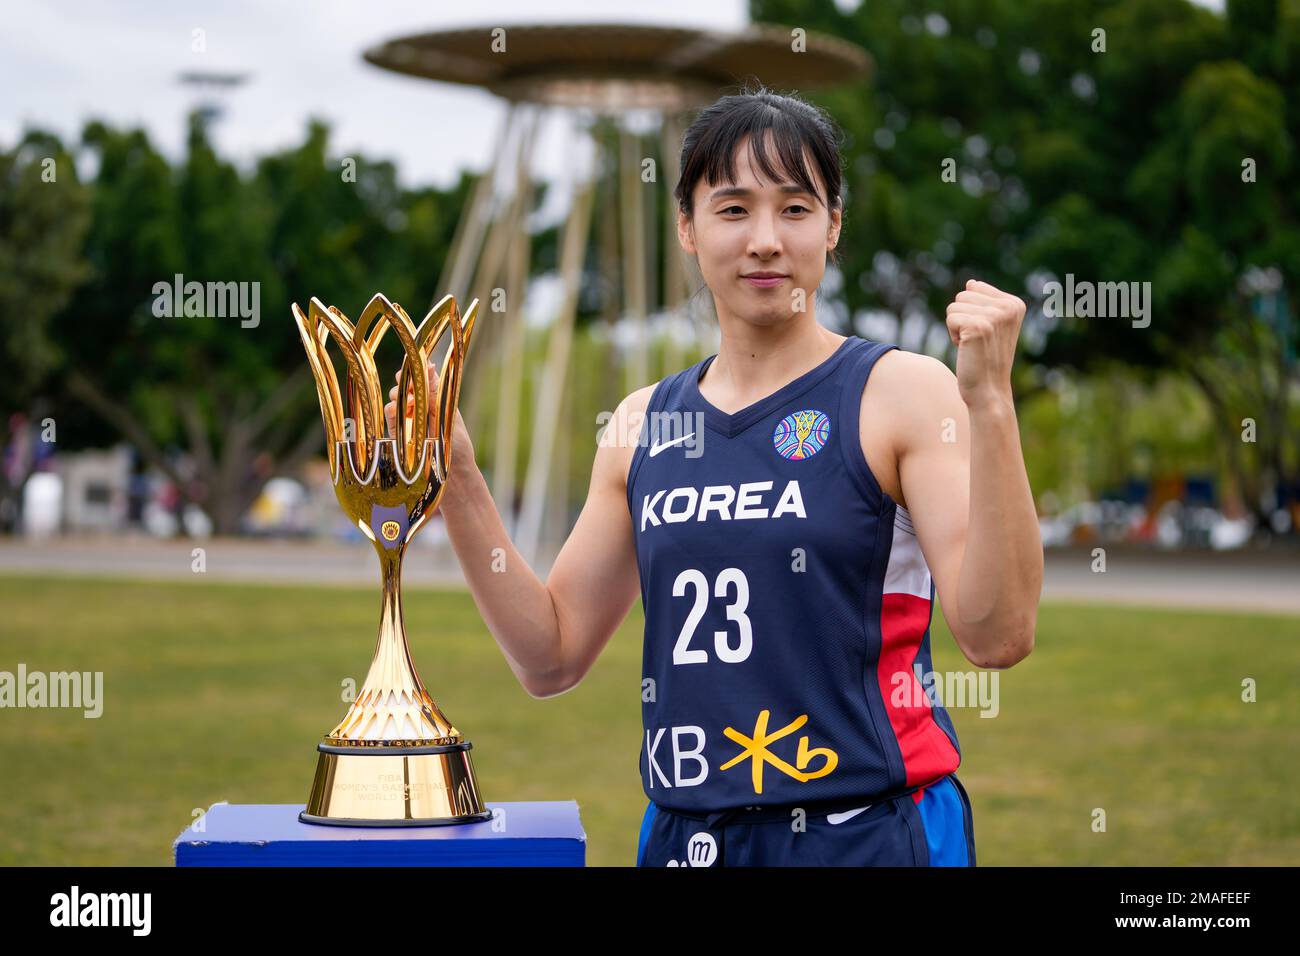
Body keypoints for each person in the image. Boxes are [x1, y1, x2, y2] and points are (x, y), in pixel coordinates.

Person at [385, 85, 1043, 867]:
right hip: (687, 837)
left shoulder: (902, 393)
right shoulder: (641, 425)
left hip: (868, 833)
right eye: (733, 209)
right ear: (687, 229)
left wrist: (991, 403)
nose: (765, 240)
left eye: (795, 208)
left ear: (834, 225)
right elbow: (551, 656)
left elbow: (998, 635)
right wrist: (456, 472)